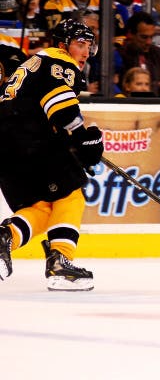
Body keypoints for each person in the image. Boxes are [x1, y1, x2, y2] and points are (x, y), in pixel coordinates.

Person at [0, 19, 104, 291]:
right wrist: (82, 137)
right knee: (71, 195)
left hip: (7, 145)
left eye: (88, 46)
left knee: (41, 209)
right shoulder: (59, 61)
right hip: (30, 140)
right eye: (80, 44)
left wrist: (73, 141)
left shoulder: (34, 63)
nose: (84, 51)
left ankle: (4, 237)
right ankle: (61, 262)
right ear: (62, 45)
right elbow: (61, 108)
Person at [119, 12, 160, 97]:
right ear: (130, 34)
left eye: (151, 37)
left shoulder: (157, 54)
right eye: (144, 37)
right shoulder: (120, 55)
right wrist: (156, 87)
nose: (149, 42)